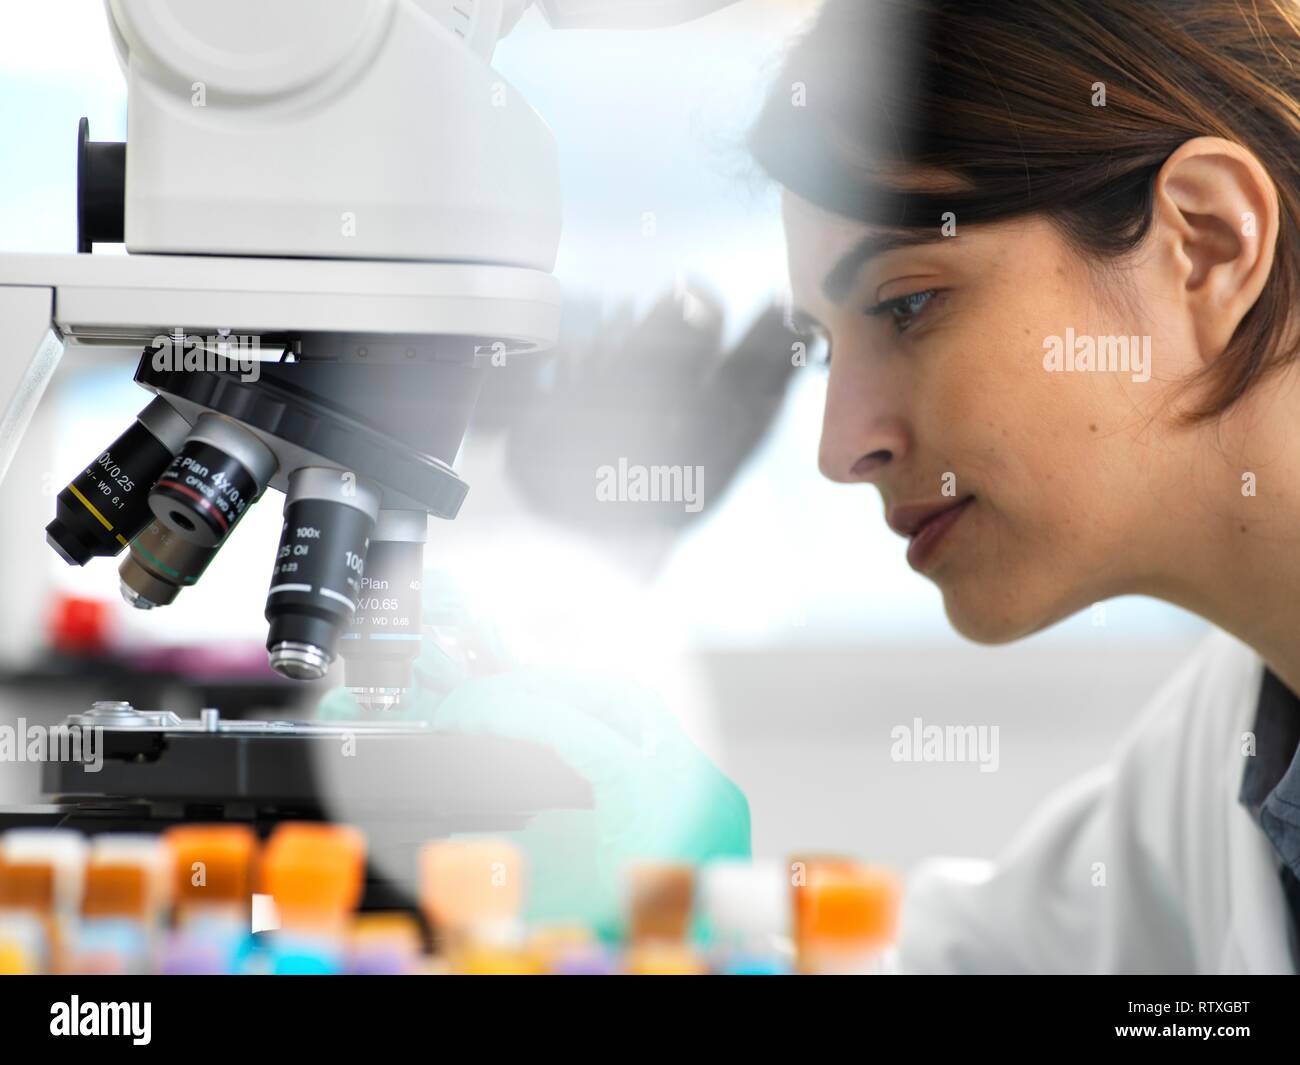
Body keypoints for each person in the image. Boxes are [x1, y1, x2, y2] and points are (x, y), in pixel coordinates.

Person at [330, 0, 1300, 972]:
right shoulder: (1227, 761)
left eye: (907, 303)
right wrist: (661, 891)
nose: (840, 450)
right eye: (829, 347)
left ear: (1208, 242)